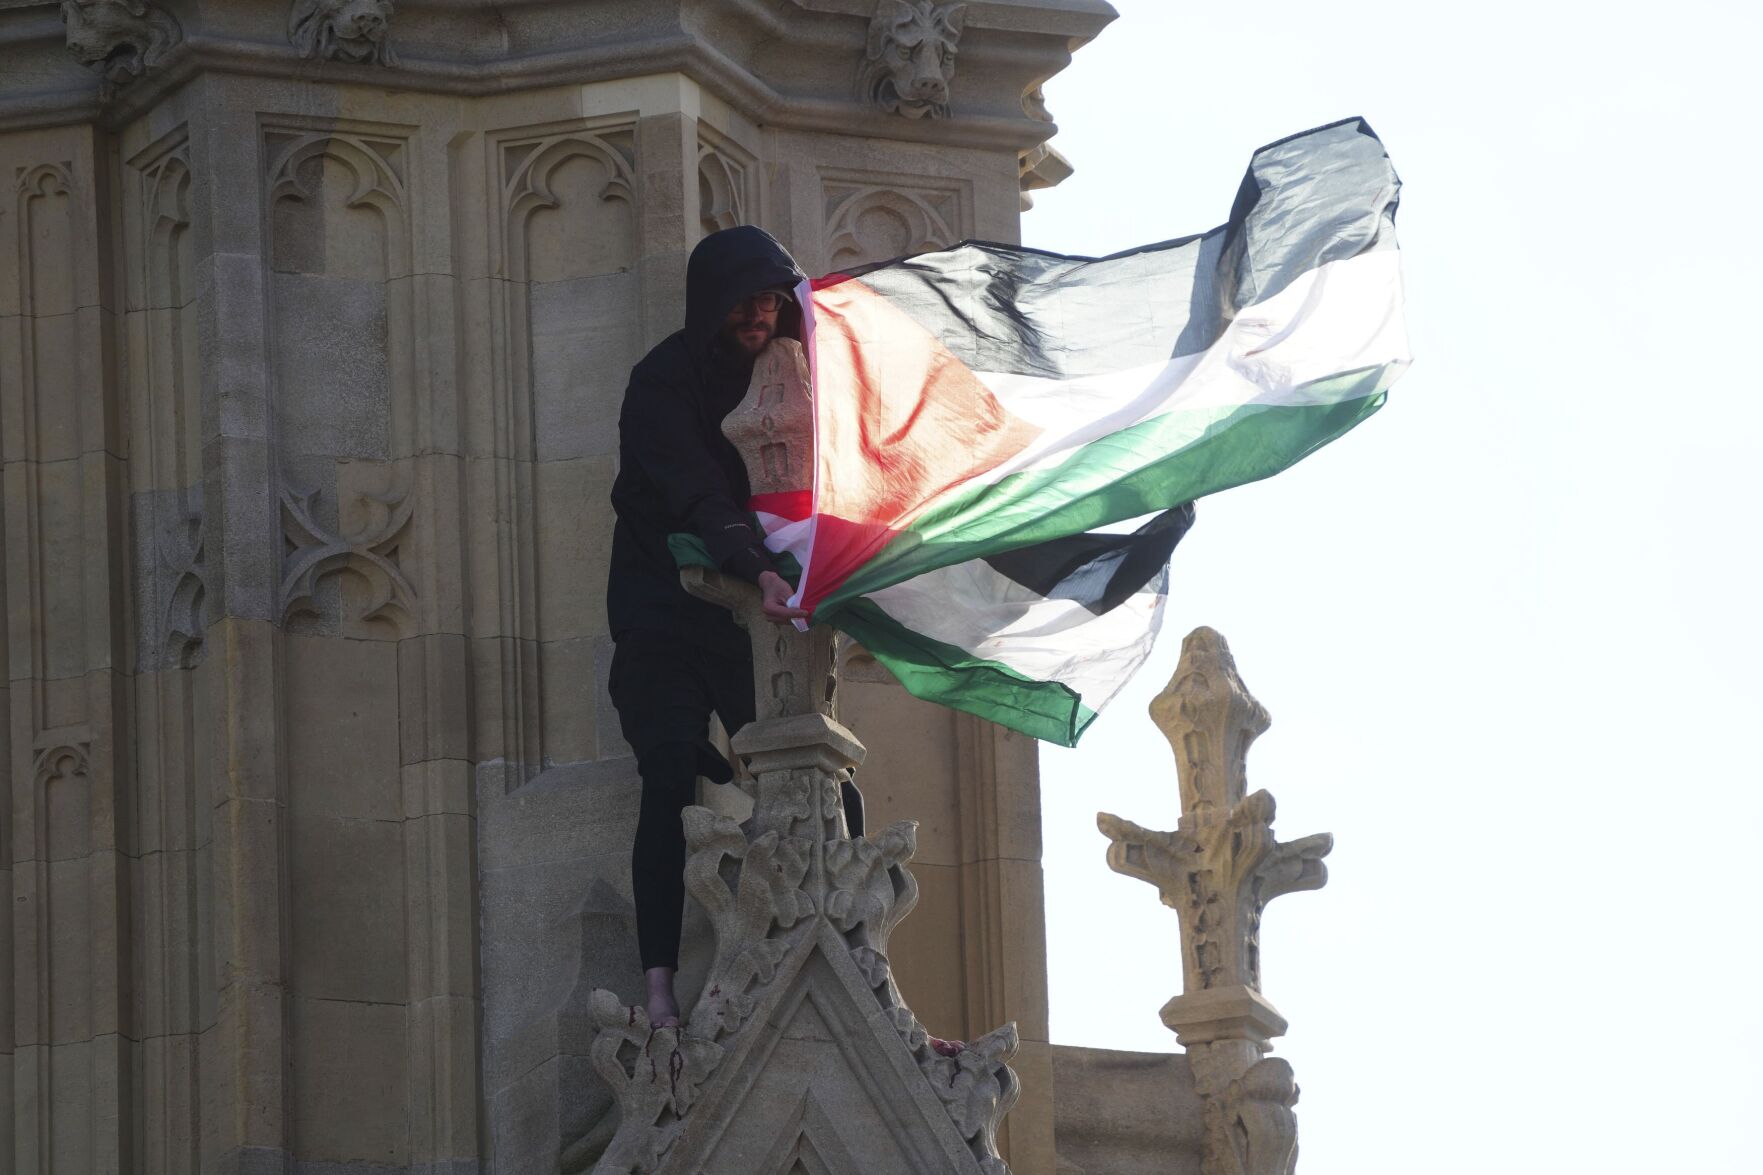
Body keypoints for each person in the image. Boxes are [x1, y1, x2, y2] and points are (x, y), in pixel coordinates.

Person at [606, 226, 865, 1028]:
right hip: (664, 601)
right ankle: (657, 988)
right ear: (710, 304)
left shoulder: (789, 370)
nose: (758, 316)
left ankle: (852, 953)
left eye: (770, 301)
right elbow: (694, 494)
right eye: (743, 301)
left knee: (819, 767)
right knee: (668, 769)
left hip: (754, 605)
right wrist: (754, 566)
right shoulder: (664, 381)